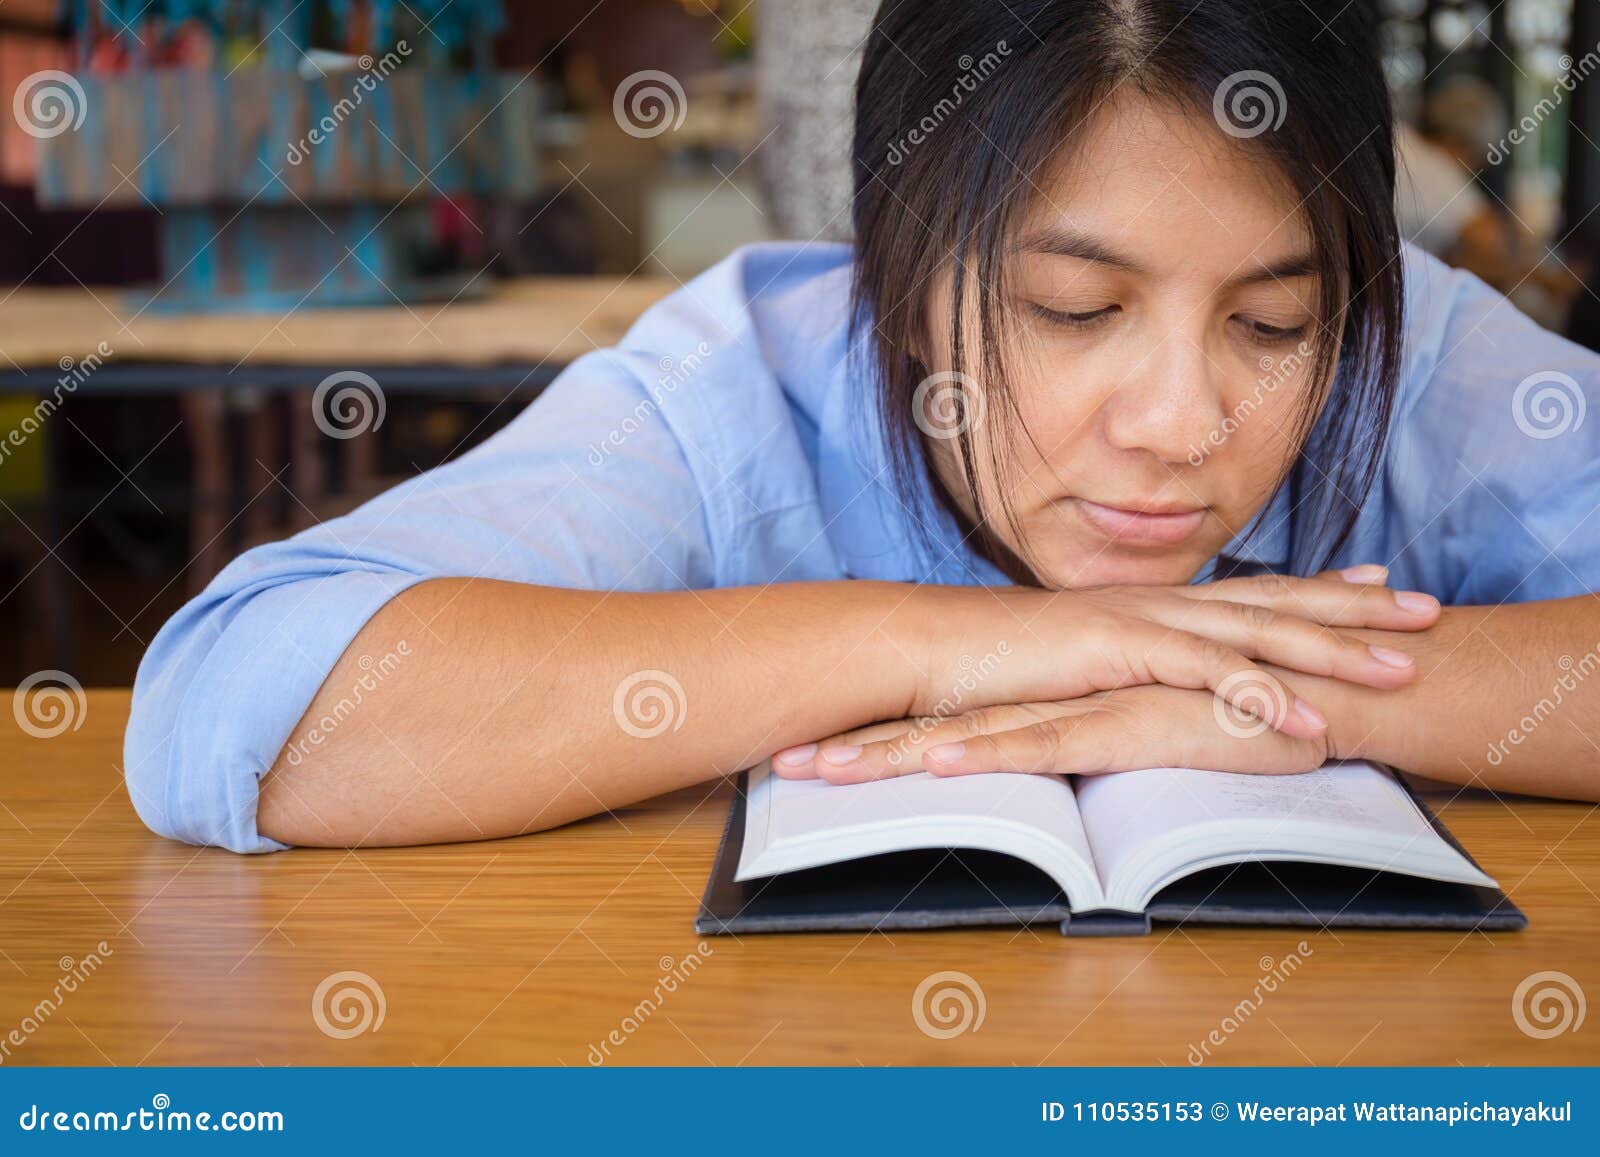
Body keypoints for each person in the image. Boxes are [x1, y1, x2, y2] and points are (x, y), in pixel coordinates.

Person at [126, 0, 1600, 853]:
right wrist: (940, 642)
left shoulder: (1413, 346)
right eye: (1075, 309)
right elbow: (232, 708)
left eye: (1271, 327)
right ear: (893, 283)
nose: (1182, 420)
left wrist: (1307, 692)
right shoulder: (737, 384)